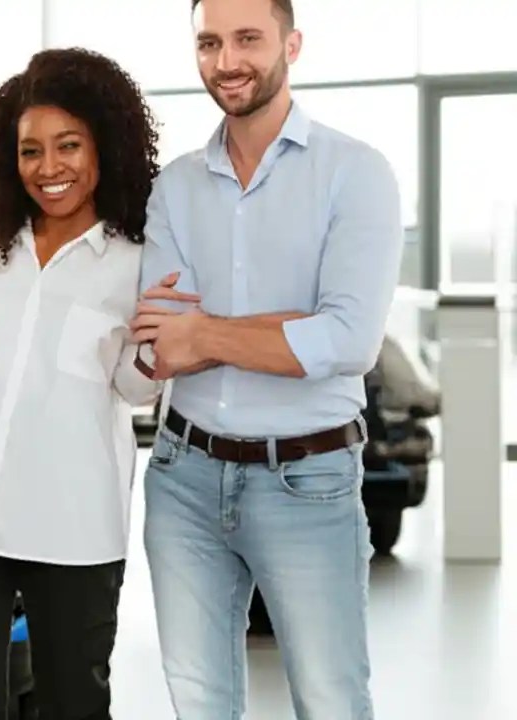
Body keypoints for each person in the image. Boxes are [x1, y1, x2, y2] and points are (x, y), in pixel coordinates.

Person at [130, 0, 404, 718]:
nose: (227, 62)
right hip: (182, 479)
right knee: (199, 703)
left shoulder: (356, 173)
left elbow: (347, 341)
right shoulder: (176, 186)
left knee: (331, 699)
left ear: (293, 44)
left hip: (308, 482)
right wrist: (289, 330)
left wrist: (210, 334)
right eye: (210, 42)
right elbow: (162, 343)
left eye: (248, 39)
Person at [0, 47, 163, 720]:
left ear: (105, 144)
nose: (49, 169)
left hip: (74, 525)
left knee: (75, 705)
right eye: (30, 152)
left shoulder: (137, 259)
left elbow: (134, 391)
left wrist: (167, 348)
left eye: (68, 146)